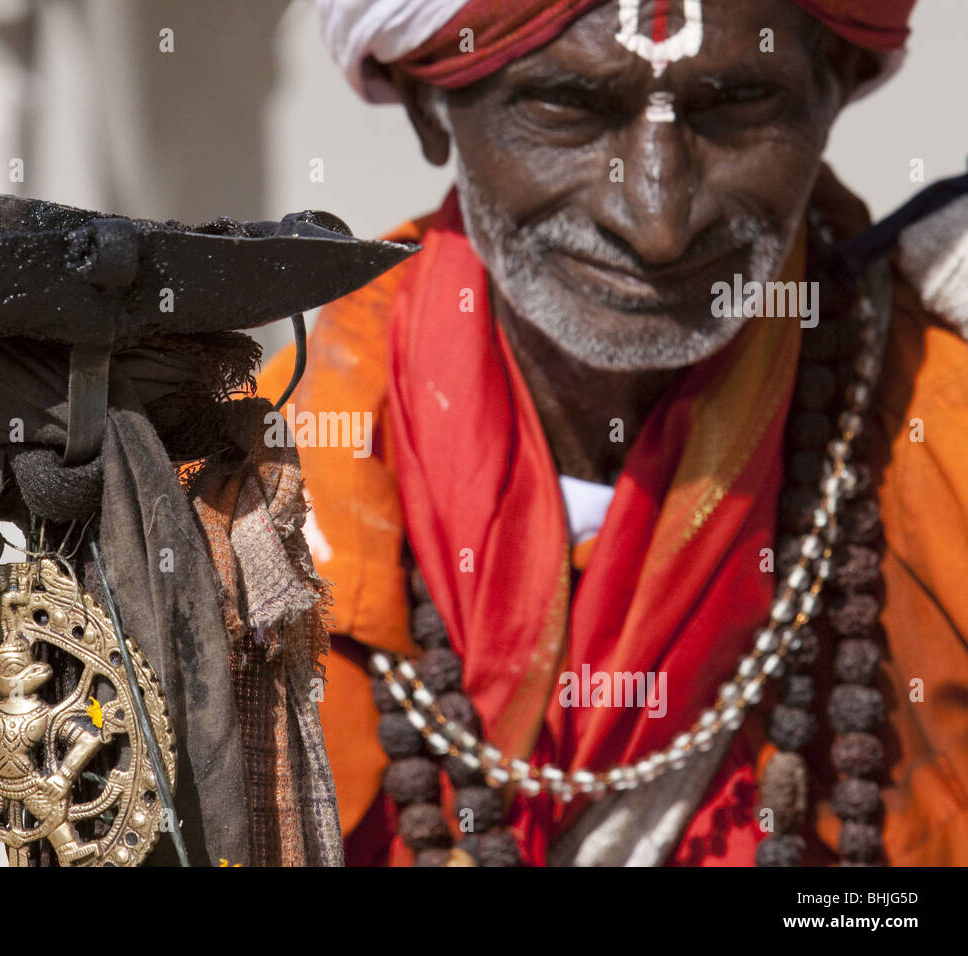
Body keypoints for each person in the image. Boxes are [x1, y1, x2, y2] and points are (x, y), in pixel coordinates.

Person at [256, 0, 968, 865]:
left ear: (838, 85)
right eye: (566, 107)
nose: (657, 220)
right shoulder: (247, 498)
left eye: (738, 101)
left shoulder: (940, 432)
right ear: (422, 100)